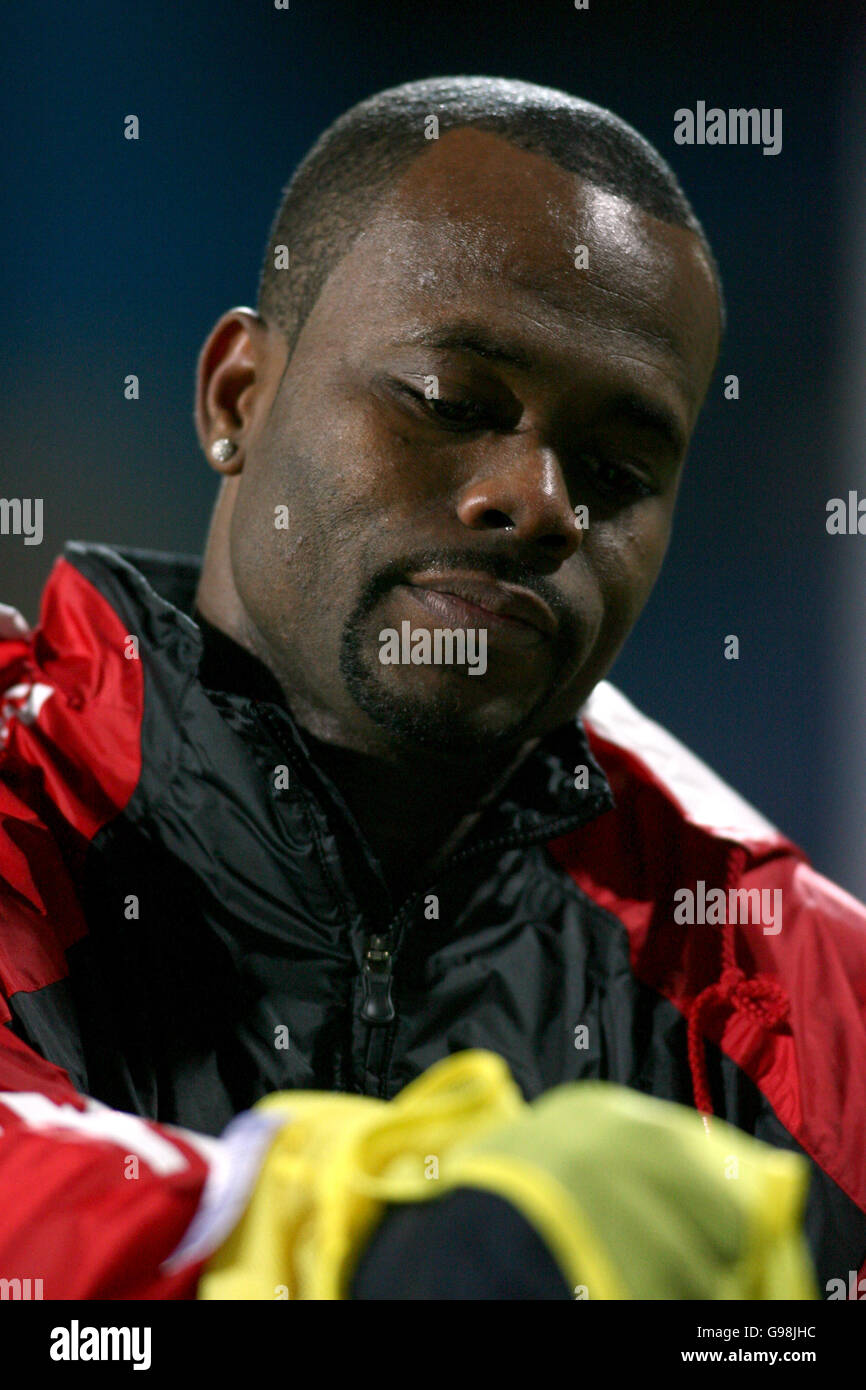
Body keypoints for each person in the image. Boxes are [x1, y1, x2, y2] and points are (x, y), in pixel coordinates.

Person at [1, 75, 864, 1300]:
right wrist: (398, 1240)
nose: (541, 503)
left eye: (618, 467)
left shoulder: (786, 999)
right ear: (235, 398)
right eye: (452, 403)